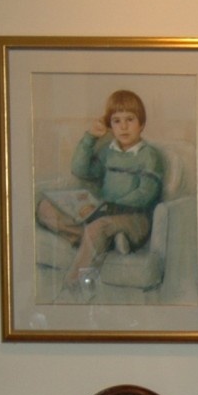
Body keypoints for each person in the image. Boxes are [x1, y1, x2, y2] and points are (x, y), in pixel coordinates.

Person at [36, 89, 169, 292]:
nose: (123, 126)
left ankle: (73, 285)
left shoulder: (149, 155)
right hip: (103, 215)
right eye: (116, 121)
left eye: (130, 120)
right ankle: (106, 240)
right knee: (45, 208)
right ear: (109, 125)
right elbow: (80, 169)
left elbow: (144, 195)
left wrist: (105, 208)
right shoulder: (109, 151)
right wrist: (90, 137)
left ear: (142, 124)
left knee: (99, 226)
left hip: (135, 219)